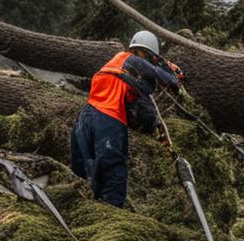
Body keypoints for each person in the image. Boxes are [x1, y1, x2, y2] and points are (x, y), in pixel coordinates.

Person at [69, 30, 183, 207]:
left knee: (90, 174)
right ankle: (110, 216)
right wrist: (172, 72)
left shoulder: (122, 75)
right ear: (144, 53)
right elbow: (169, 80)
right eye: (151, 59)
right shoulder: (128, 58)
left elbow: (145, 112)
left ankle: (88, 212)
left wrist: (153, 128)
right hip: (107, 120)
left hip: (84, 120)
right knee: (114, 175)